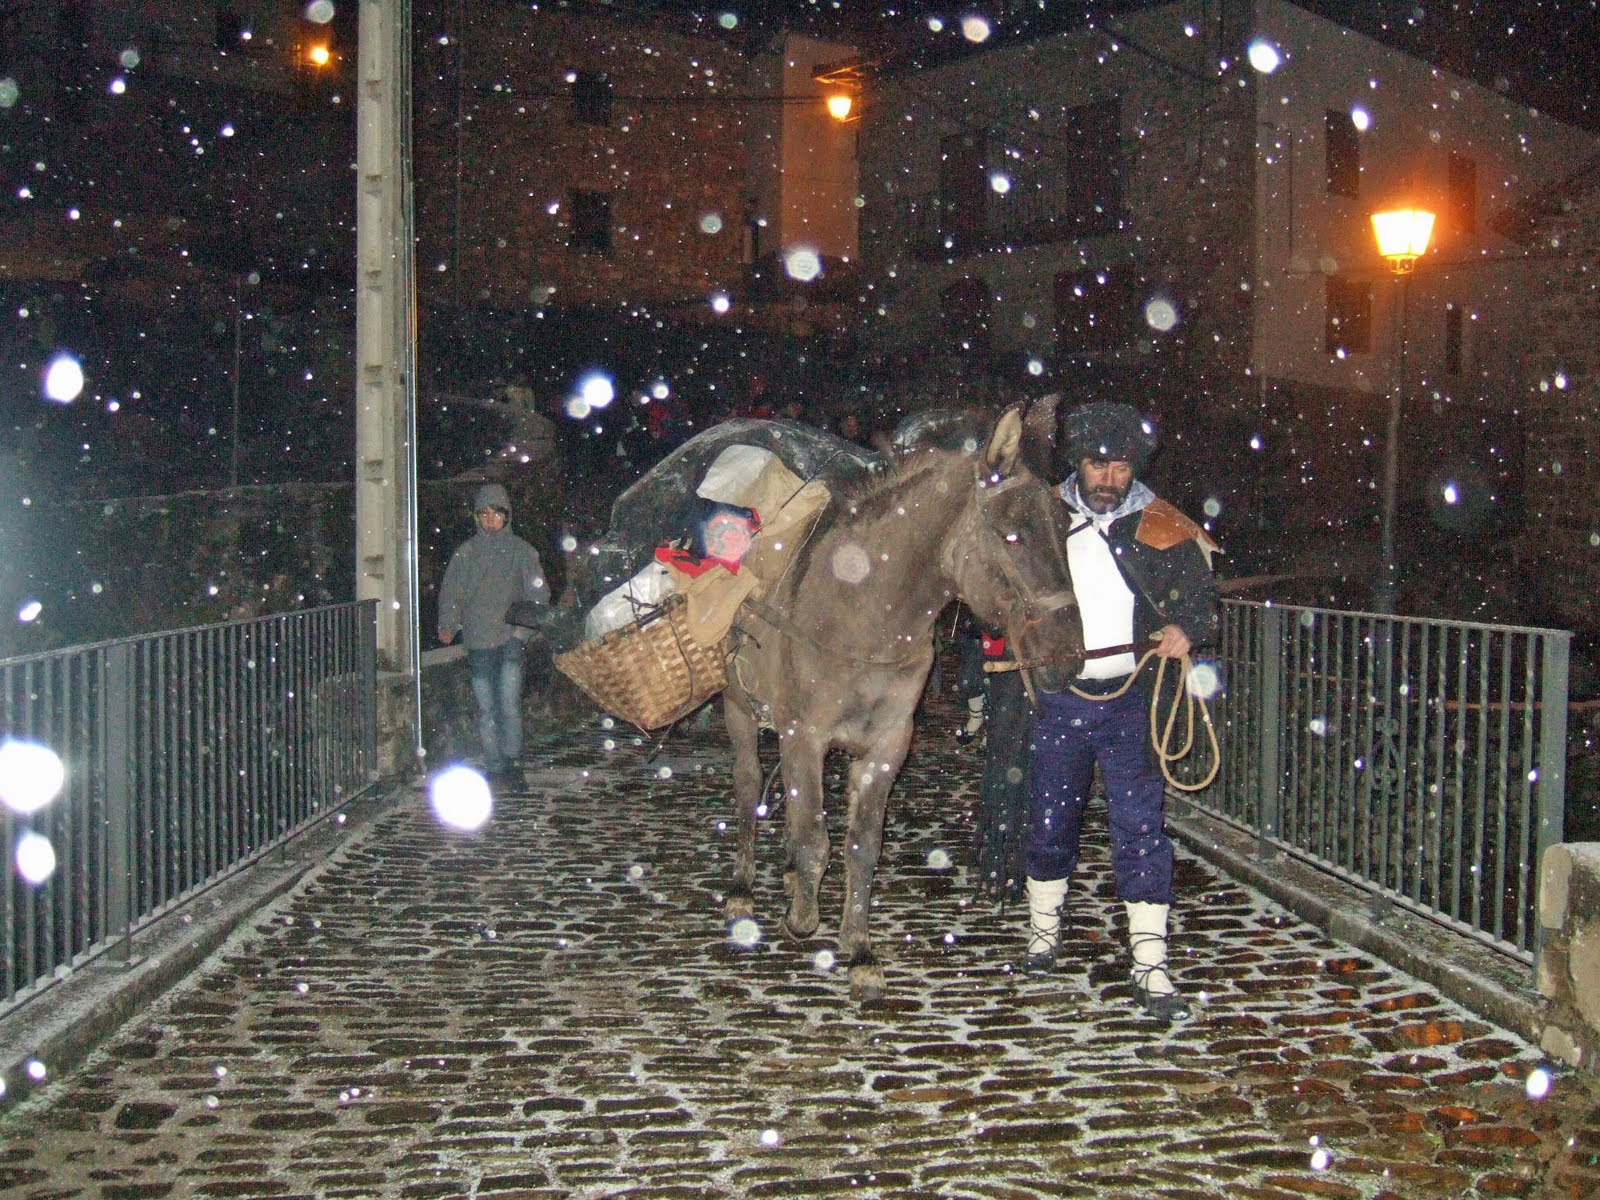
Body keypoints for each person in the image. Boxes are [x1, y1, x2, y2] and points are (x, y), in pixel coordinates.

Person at [1022, 401, 1218, 1022]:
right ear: (1078, 464)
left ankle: (1151, 963)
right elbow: (1003, 591)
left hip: (1134, 702)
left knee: (1140, 830)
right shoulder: (1042, 519)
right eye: (1097, 463)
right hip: (1060, 699)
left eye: (1120, 466)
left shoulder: (1163, 525)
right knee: (1052, 822)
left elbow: (1198, 603)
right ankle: (1042, 934)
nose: (1109, 477)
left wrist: (1186, 629)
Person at [438, 483, 550, 789]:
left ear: (506, 516)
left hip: (510, 641)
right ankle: (495, 765)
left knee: (508, 704)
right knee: (486, 707)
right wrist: (448, 623)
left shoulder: (522, 552)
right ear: (477, 517)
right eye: (484, 514)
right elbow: (451, 593)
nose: (489, 520)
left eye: (495, 513)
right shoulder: (466, 554)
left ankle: (512, 764)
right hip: (477, 642)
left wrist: (520, 633)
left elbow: (538, 596)